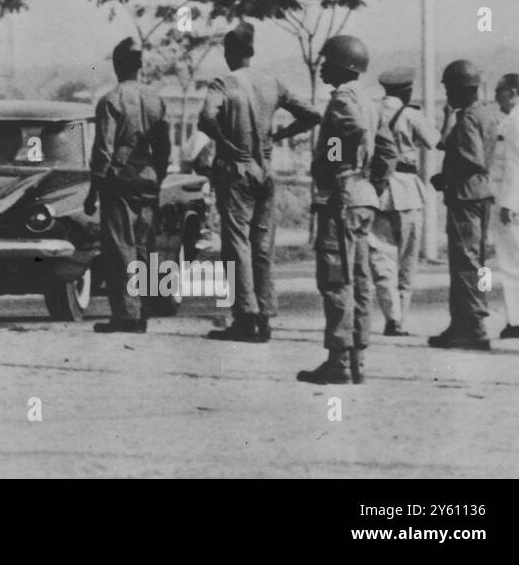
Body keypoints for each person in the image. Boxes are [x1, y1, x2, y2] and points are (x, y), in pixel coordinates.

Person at [199, 22, 320, 343]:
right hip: (265, 170)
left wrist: (226, 143)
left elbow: (206, 119)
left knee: (237, 243)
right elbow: (311, 115)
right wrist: (277, 136)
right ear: (251, 52)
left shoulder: (222, 83)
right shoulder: (272, 82)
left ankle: (245, 316)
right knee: (262, 246)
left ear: (229, 53)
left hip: (235, 171)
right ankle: (265, 316)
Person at [298, 34, 380, 385]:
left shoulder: (343, 100)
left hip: (343, 195)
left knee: (336, 278)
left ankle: (339, 361)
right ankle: (357, 358)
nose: (321, 66)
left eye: (326, 61)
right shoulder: (370, 99)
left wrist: (334, 164)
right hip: (363, 193)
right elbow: (383, 147)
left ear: (341, 65)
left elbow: (352, 131)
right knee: (360, 278)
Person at [86, 38, 171, 334]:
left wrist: (93, 190)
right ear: (140, 65)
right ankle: (143, 312)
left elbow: (104, 150)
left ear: (117, 64)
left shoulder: (111, 100)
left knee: (121, 247)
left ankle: (126, 315)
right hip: (149, 179)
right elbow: (164, 145)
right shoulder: (156, 99)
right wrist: (158, 175)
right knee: (145, 247)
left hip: (120, 181)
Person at [428, 60, 499, 351]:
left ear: (459, 88)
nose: (447, 94)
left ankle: (474, 327)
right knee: (475, 262)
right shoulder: (485, 113)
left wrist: (446, 177)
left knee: (465, 263)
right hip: (479, 195)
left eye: (448, 88)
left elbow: (473, 158)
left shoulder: (469, 118)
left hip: (466, 197)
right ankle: (463, 323)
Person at [367, 67, 438, 336]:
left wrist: (333, 159)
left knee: (382, 257)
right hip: (408, 191)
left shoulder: (371, 111)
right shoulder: (412, 114)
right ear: (406, 91)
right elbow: (435, 142)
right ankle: (401, 317)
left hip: (379, 189)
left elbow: (341, 144)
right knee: (408, 260)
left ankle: (392, 317)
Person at [491, 74, 519, 339]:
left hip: (514, 203)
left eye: (499, 91)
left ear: (511, 92)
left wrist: (511, 202)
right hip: (518, 200)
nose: (496, 97)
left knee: (516, 261)